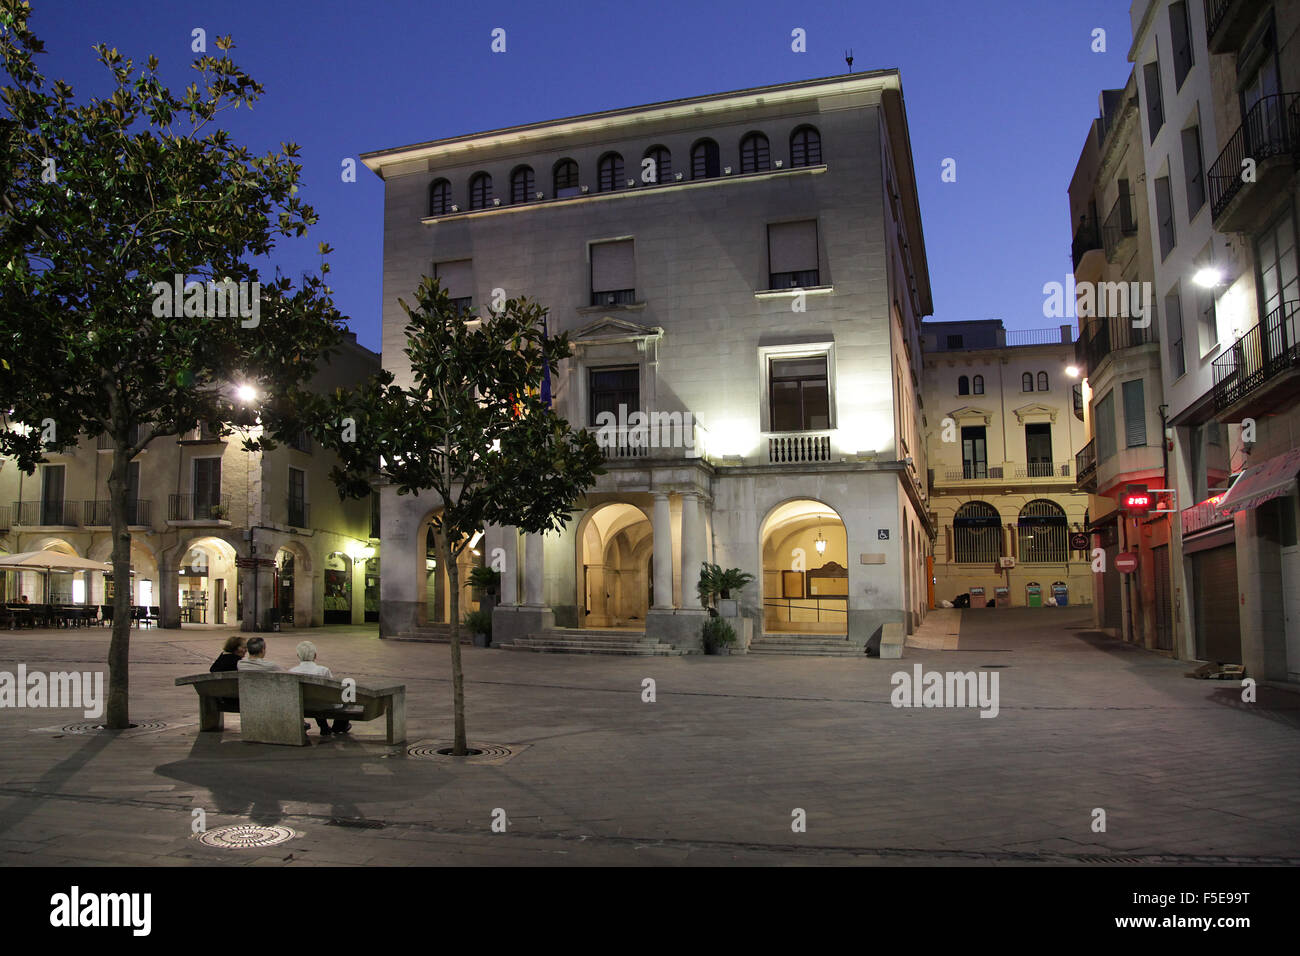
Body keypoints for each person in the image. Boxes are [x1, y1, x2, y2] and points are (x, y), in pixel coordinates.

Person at [289, 641, 350, 736]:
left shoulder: (292, 671)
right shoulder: (323, 670)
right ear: (315, 655)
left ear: (298, 656)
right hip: (324, 705)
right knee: (348, 695)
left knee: (313, 698)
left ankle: (324, 726)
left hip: (302, 705)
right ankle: (340, 725)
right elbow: (332, 690)